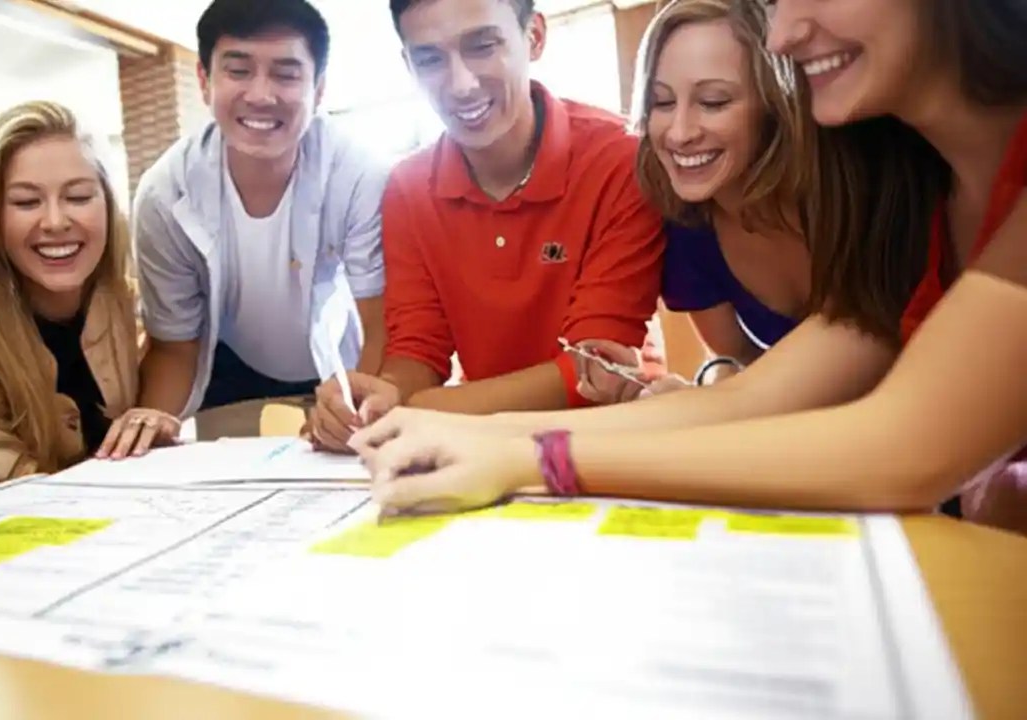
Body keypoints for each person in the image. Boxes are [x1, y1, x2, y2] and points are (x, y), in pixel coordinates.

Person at [353, 0, 1027, 535]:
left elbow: (899, 449)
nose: (785, 33)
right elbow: (747, 399)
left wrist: (528, 455)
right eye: (664, 103)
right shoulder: (903, 196)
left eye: (714, 100)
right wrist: (488, 437)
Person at [307, 0, 665, 451]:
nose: (460, 85)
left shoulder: (619, 160)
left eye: (482, 46)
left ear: (533, 37)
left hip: (618, 434)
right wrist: (384, 395)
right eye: (430, 59)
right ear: (408, 66)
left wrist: (411, 411)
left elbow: (593, 369)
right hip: (482, 441)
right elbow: (418, 346)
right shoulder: (408, 187)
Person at [133, 0, 388, 422]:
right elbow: (174, 346)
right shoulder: (165, 194)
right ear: (204, 79)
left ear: (319, 89)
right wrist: (148, 429)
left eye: (286, 74)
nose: (261, 95)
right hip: (225, 365)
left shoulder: (358, 175)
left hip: (338, 368)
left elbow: (381, 322)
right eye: (238, 70)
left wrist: (362, 412)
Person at [0, 101, 161, 490]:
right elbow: (31, 502)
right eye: (26, 202)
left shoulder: (122, 303)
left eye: (78, 197)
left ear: (108, 205)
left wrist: (157, 431)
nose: (56, 222)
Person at [629, 0, 812, 395]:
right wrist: (706, 389)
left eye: (713, 102)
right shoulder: (685, 229)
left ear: (774, 104)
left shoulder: (840, 190)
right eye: (661, 102)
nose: (679, 133)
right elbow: (746, 366)